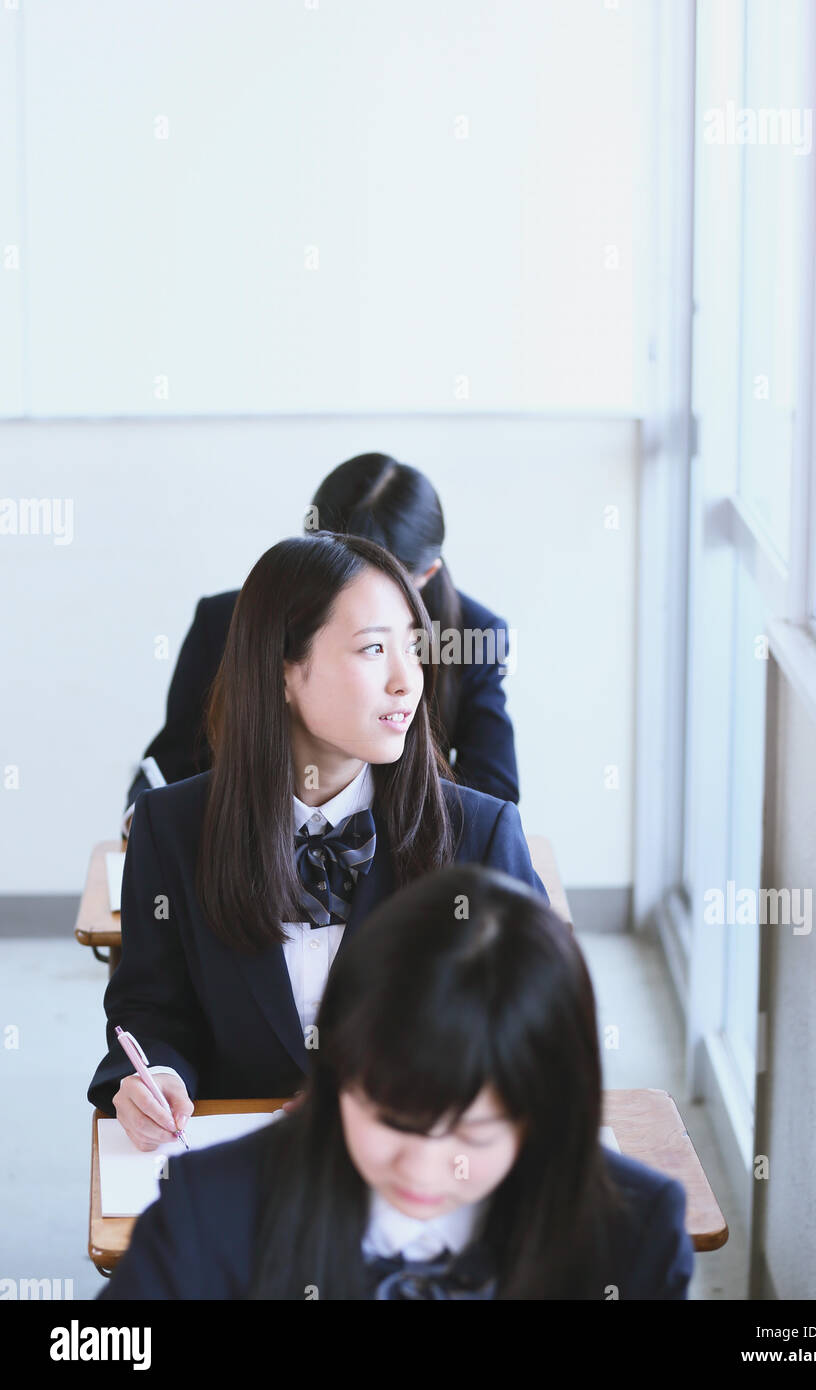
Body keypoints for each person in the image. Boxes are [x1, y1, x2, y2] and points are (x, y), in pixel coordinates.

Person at [90, 533, 545, 1145]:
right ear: (281, 673)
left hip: (416, 1174)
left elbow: (538, 1029)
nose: (405, 680)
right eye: (372, 649)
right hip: (241, 1171)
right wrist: (159, 1075)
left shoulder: (480, 834)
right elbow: (150, 1009)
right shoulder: (169, 828)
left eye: (411, 647)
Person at [98, 864, 694, 1300]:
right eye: (389, 1121)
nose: (422, 1167)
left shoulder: (635, 1230)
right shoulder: (212, 1211)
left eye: (475, 1135)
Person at [125, 453, 519, 818]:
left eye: (412, 647)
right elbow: (170, 766)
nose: (403, 681)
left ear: (425, 576)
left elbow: (492, 789)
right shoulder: (230, 621)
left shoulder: (474, 635)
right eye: (334, 565)